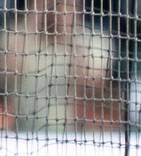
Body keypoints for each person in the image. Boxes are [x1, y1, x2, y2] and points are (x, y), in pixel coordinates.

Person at [0, 0, 117, 132]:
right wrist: (34, 16)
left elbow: (93, 83)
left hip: (72, 135)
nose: (59, 9)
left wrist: (72, 33)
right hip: (24, 135)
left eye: (67, 4)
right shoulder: (19, 38)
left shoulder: (94, 41)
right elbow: (8, 70)